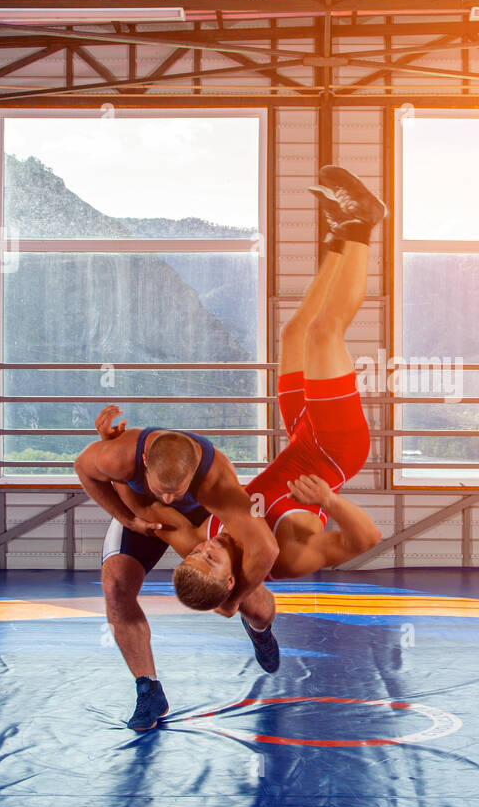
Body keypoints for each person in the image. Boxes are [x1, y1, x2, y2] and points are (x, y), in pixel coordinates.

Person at [114, 165, 386, 646]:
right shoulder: (286, 557)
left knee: (293, 334)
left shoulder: (201, 539)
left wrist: (111, 450)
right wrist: (329, 502)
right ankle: (364, 220)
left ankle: (340, 238)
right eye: (212, 559)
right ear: (234, 581)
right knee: (325, 335)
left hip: (299, 434)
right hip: (333, 451)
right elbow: (365, 541)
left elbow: (149, 510)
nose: (209, 547)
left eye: (197, 555)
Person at [74, 405, 278, 732]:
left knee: (254, 604)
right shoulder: (119, 455)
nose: (168, 498)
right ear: (143, 464)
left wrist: (233, 597)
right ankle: (149, 688)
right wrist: (128, 518)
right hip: (142, 519)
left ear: (195, 471)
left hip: (202, 522)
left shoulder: (218, 479)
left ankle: (260, 630)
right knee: (115, 588)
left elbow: (266, 548)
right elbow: (84, 469)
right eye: (160, 489)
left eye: (177, 491)